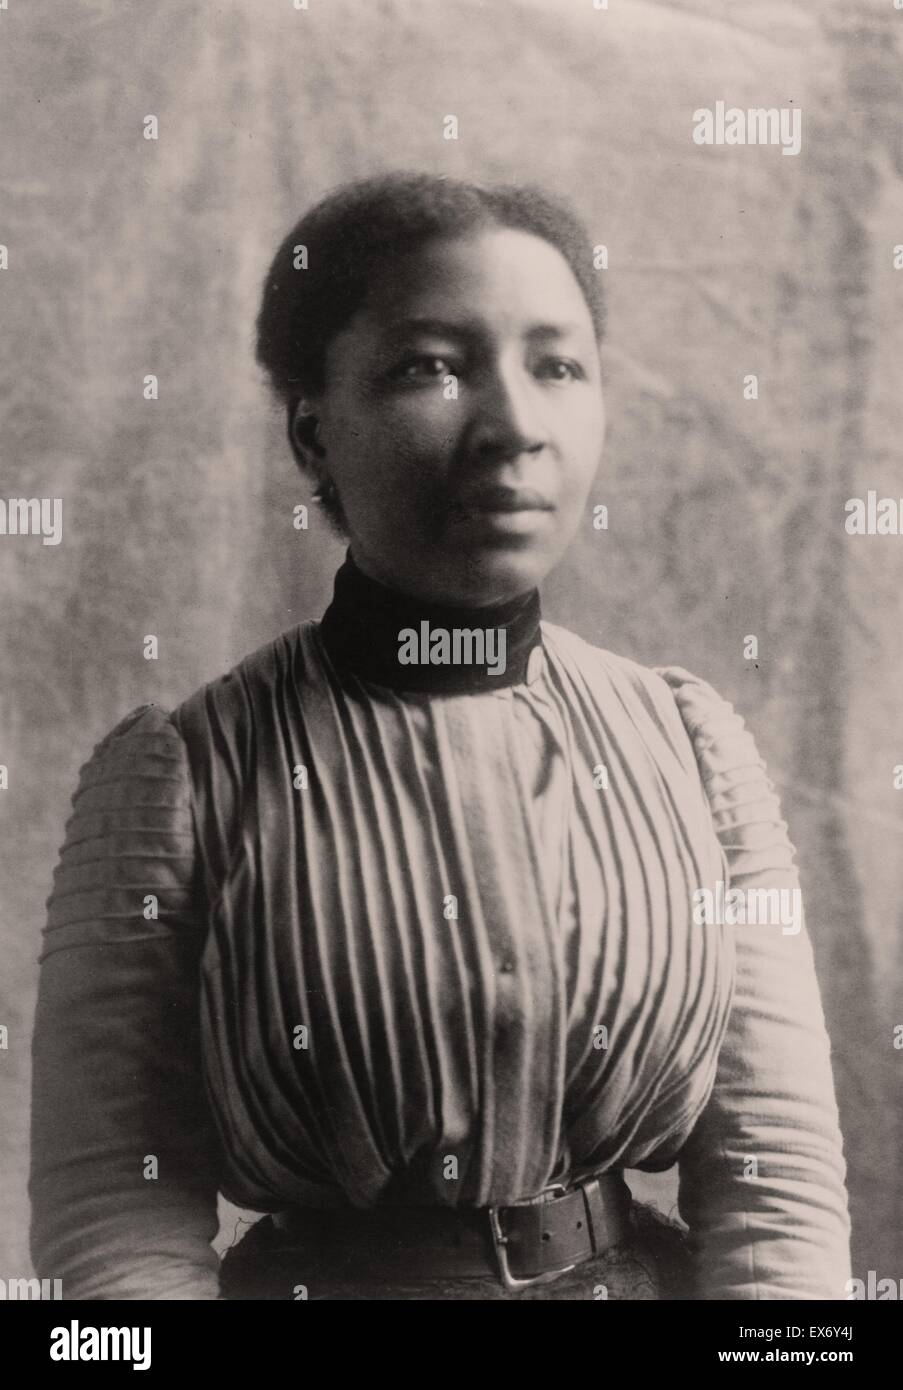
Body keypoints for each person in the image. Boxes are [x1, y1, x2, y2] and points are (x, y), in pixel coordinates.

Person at [29, 172, 852, 1300]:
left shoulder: (693, 752)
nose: (514, 425)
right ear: (316, 428)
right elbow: (110, 1212)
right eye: (433, 365)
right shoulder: (177, 777)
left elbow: (776, 1189)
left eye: (557, 365)